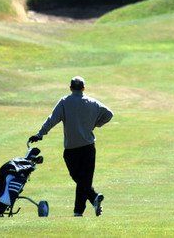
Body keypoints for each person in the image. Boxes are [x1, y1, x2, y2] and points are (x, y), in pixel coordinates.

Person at [28, 77, 113, 217]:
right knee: (83, 181)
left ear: (70, 87)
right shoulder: (92, 102)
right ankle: (92, 199)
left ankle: (79, 211)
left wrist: (40, 134)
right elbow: (109, 114)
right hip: (88, 147)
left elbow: (52, 119)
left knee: (80, 179)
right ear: (84, 88)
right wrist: (97, 123)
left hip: (71, 149)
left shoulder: (64, 102)